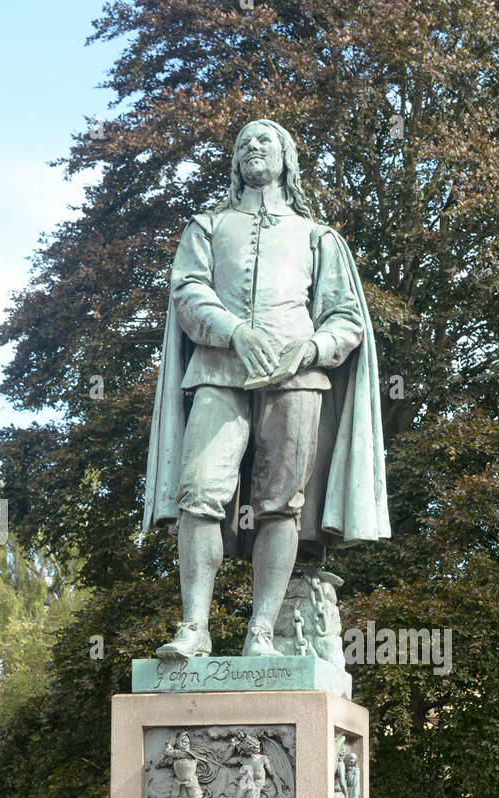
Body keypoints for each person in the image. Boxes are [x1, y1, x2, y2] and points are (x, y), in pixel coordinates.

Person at [142, 119, 390, 658]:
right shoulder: (206, 226)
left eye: (266, 141)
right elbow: (187, 292)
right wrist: (233, 331)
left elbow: (346, 318)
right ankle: (194, 628)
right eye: (243, 143)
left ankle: (261, 633)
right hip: (217, 371)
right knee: (199, 494)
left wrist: (312, 348)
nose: (254, 147)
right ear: (234, 161)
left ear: (287, 158)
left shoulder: (318, 237)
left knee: (282, 505)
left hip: (297, 374)